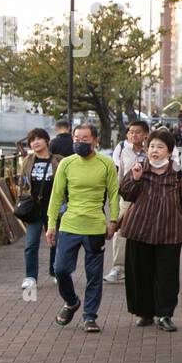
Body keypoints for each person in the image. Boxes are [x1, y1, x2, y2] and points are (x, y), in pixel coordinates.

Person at [118, 127, 182, 331]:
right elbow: (126, 194)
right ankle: (144, 313)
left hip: (169, 231)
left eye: (160, 147)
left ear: (170, 151)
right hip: (139, 230)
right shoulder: (139, 169)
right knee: (140, 274)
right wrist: (135, 178)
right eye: (152, 146)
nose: (154, 150)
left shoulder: (180, 176)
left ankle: (164, 314)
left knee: (167, 276)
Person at [46, 123, 120, 333]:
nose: (79, 142)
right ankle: (71, 302)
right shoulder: (66, 164)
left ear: (95, 140)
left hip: (95, 227)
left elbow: (114, 194)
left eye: (85, 139)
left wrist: (113, 221)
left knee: (94, 275)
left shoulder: (106, 164)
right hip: (69, 225)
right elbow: (56, 196)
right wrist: (51, 225)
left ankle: (90, 316)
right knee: (60, 269)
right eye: (76, 138)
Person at [104, 120, 149, 284]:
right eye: (131, 132)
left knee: (145, 232)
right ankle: (118, 268)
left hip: (148, 198)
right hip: (128, 198)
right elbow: (120, 176)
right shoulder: (124, 151)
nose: (133, 135)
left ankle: (142, 268)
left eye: (137, 132)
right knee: (120, 231)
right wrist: (116, 197)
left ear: (145, 134)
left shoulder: (153, 150)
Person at [19, 127, 63, 290]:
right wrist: (21, 200)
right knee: (31, 244)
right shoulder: (28, 161)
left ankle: (55, 272)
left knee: (56, 242)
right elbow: (22, 184)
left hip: (54, 208)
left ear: (46, 141)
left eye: (38, 139)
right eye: (32, 140)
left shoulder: (58, 161)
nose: (35, 142)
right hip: (34, 208)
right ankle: (30, 277)